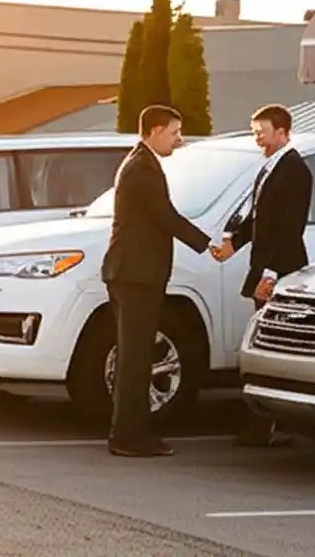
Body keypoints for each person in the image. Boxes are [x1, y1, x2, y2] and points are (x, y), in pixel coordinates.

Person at [102, 105, 213, 457]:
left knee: (135, 357)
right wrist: (208, 244)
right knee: (135, 359)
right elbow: (166, 217)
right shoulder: (141, 168)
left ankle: (129, 432)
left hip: (134, 274)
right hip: (135, 276)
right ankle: (128, 436)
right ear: (153, 130)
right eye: (173, 132)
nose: (178, 140)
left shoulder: (142, 164)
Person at [213, 104, 313, 447]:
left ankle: (273, 424)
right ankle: (265, 423)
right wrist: (234, 244)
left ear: (282, 132)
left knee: (276, 347)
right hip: (265, 265)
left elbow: (289, 228)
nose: (257, 137)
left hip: (280, 269)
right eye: (255, 131)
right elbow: (260, 219)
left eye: (262, 131)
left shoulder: (295, 170)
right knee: (263, 345)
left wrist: (270, 274)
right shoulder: (269, 167)